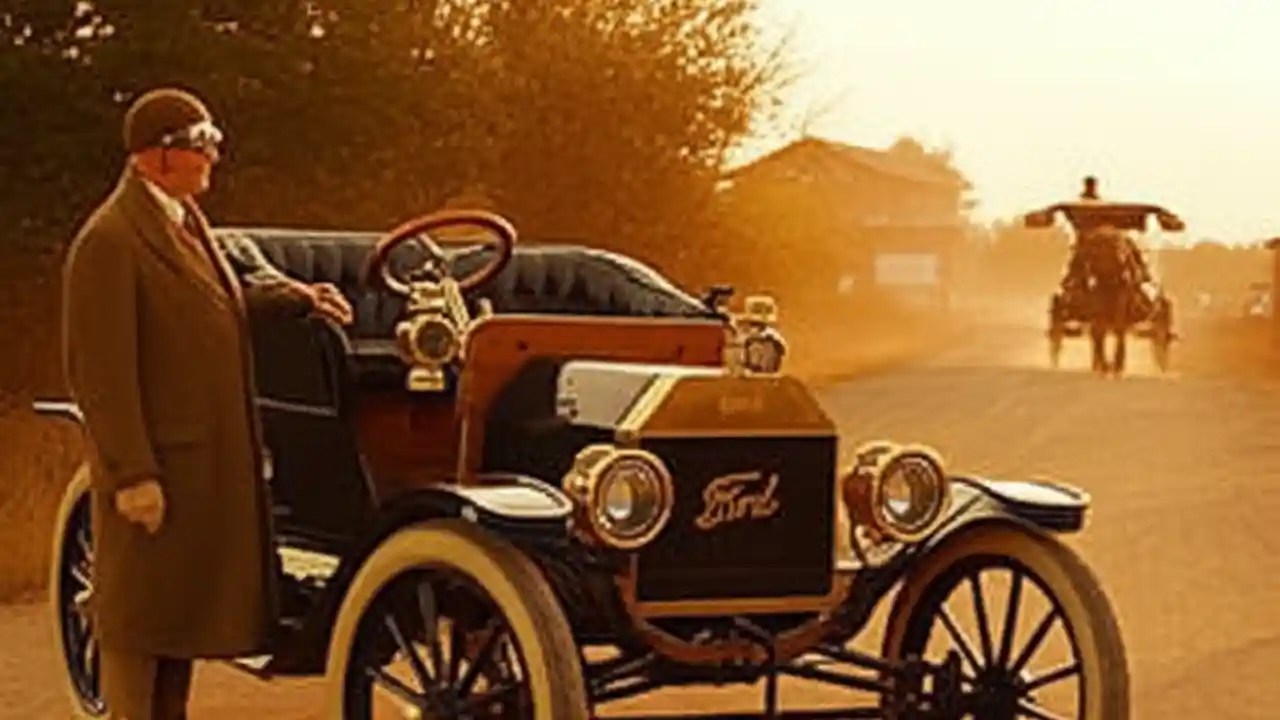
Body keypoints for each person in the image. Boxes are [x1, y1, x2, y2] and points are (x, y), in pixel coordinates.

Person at [61, 86, 352, 720]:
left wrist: (298, 297)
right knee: (138, 626)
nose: (213, 157)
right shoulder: (109, 241)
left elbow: (214, 305)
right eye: (202, 145)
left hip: (197, 469)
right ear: (156, 156)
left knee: (178, 626)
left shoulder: (184, 220)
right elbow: (101, 374)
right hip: (159, 468)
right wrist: (133, 474)